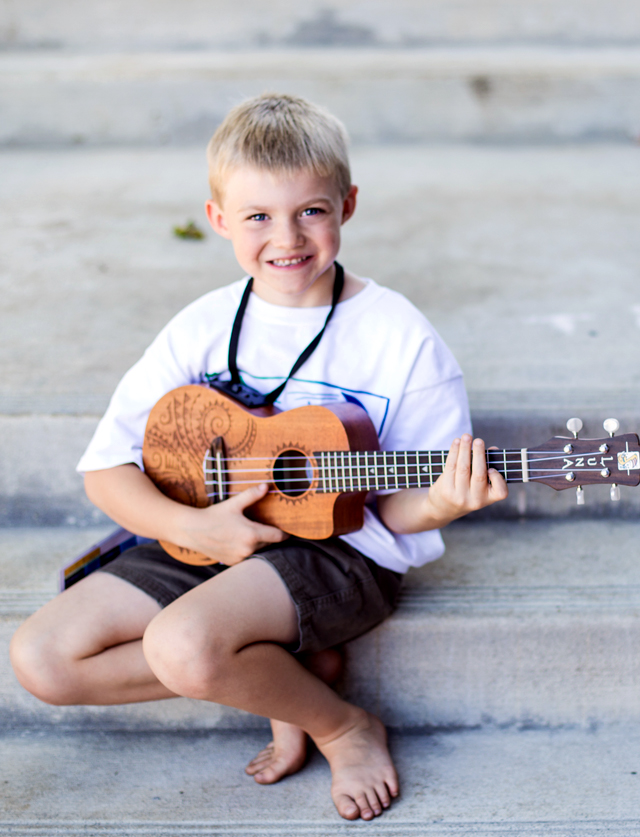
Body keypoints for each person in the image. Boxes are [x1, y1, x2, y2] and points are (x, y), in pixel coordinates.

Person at [10, 93, 508, 822]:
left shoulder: (402, 340)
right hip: (200, 535)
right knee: (43, 658)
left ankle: (340, 722)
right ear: (217, 219)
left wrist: (442, 501)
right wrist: (203, 529)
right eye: (258, 217)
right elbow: (106, 471)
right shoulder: (201, 327)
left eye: (311, 210)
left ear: (348, 204)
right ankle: (272, 672)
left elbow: (398, 505)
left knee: (182, 644)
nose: (288, 237)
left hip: (338, 551)